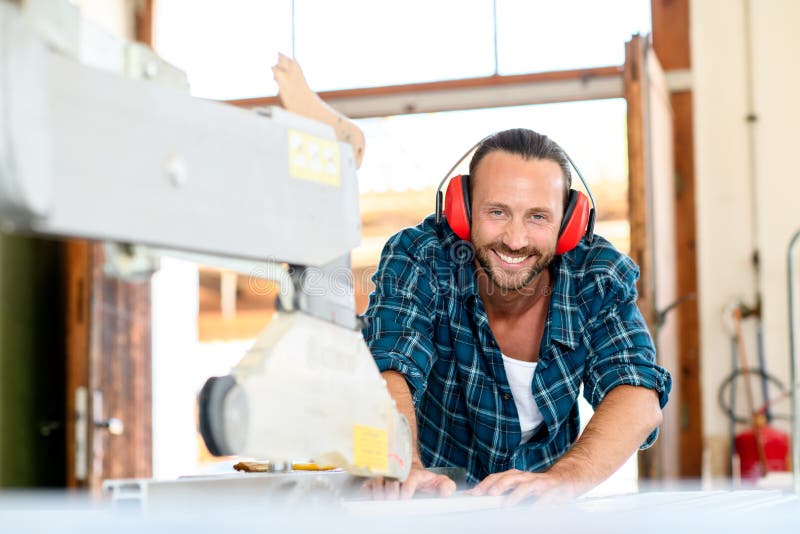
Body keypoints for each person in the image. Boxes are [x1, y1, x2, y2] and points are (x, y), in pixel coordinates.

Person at [360, 128, 671, 505]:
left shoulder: (597, 275)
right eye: (497, 212)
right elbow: (388, 366)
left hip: (539, 508)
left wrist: (563, 481)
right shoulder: (420, 257)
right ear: (463, 210)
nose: (515, 239)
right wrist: (401, 464)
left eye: (538, 217)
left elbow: (637, 394)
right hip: (427, 501)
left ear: (569, 225)